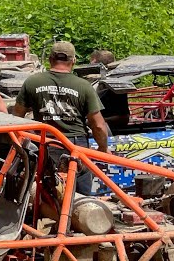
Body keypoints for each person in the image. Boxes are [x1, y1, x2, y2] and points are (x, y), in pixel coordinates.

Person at [14, 41, 109, 195]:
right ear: (73, 61)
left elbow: (17, 116)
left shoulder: (33, 82)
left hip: (45, 142)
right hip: (75, 145)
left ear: (50, 59)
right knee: (79, 191)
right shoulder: (84, 86)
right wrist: (103, 148)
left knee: (46, 188)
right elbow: (98, 125)